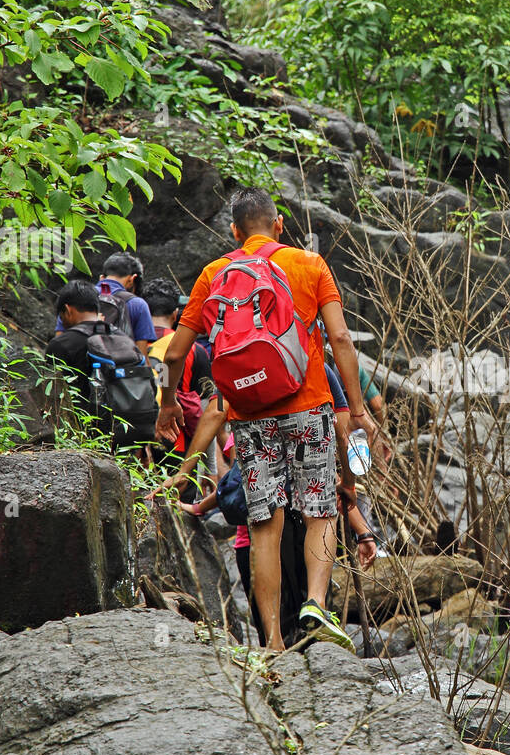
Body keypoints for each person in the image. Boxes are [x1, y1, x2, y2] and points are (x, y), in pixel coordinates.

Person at [154, 188, 381, 653]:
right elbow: (339, 337)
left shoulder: (215, 274)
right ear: (279, 225)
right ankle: (316, 604)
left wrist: (169, 403)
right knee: (319, 511)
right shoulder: (309, 265)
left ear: (234, 232)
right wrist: (358, 411)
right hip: (308, 408)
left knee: (264, 525)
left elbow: (176, 352)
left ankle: (273, 642)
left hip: (249, 416)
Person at [46, 279, 157, 452]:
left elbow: (52, 399)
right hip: (125, 431)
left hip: (82, 438)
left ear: (67, 310)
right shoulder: (123, 339)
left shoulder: (61, 344)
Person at [143, 277, 214, 459]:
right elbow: (207, 408)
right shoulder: (192, 350)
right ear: (175, 314)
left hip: (136, 440)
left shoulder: (127, 345)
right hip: (177, 441)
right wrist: (211, 464)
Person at [55, 252, 157, 355]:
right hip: (120, 368)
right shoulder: (138, 304)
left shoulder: (75, 296)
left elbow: (59, 345)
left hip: (78, 368)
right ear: (132, 279)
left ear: (102, 278)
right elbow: (141, 356)